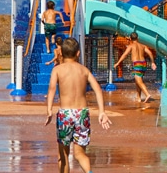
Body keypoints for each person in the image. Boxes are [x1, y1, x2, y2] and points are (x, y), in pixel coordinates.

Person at [45, 37, 111, 173]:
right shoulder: (84, 70)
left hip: (65, 114)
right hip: (82, 113)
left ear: (61, 53)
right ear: (78, 53)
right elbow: (98, 89)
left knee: (63, 155)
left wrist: (49, 109)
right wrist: (102, 112)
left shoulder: (57, 70)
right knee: (80, 154)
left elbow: (51, 89)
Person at [113, 32, 157, 103]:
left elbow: (125, 54)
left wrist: (118, 63)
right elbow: (150, 53)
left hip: (137, 64)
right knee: (137, 81)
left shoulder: (131, 46)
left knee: (139, 81)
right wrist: (152, 62)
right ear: (138, 38)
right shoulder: (143, 46)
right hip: (143, 64)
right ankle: (139, 97)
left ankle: (147, 94)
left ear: (130, 38)